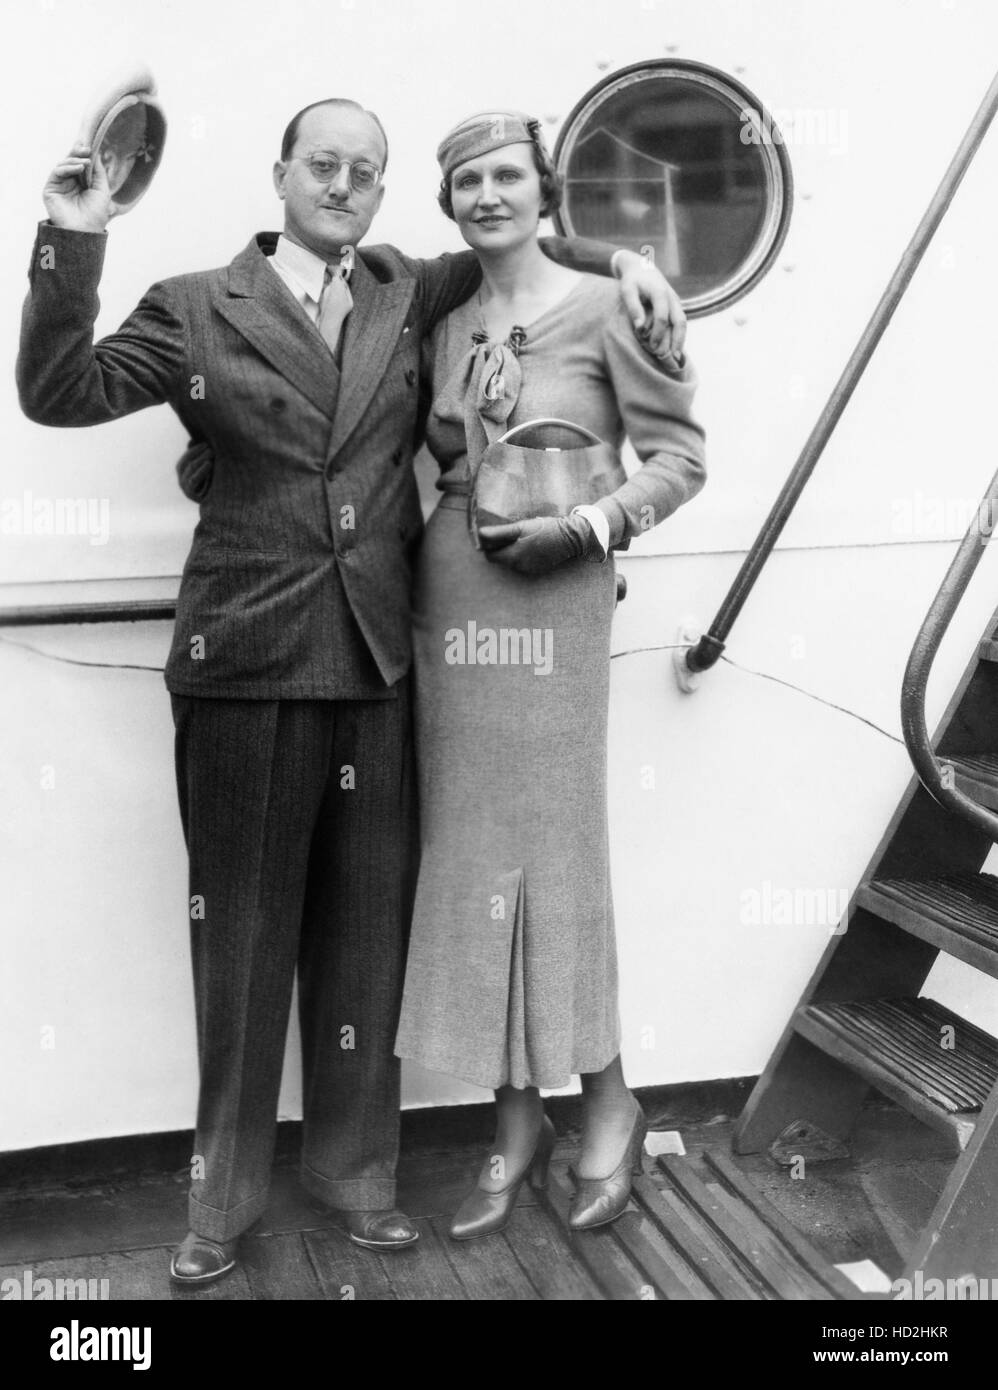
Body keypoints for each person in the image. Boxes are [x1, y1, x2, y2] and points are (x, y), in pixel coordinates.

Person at [16, 94, 685, 1286]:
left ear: (382, 194)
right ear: (279, 175)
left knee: (363, 949)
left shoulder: (401, 288)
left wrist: (628, 259)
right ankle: (217, 1205)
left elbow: (514, 238)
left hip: (382, 665)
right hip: (247, 669)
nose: (341, 184)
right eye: (321, 165)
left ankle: (356, 1179)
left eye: (363, 171)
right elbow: (57, 389)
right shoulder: (190, 305)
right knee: (240, 946)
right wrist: (74, 232)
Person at [392, 111, 707, 1238]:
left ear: (544, 191)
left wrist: (588, 525)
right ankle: (514, 1118)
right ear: (449, 203)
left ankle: (608, 1103)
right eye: (466, 179)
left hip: (555, 603)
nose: (486, 194)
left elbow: (680, 459)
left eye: (506, 177)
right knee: (471, 854)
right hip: (450, 606)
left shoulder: (612, 306)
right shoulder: (443, 315)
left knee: (557, 852)